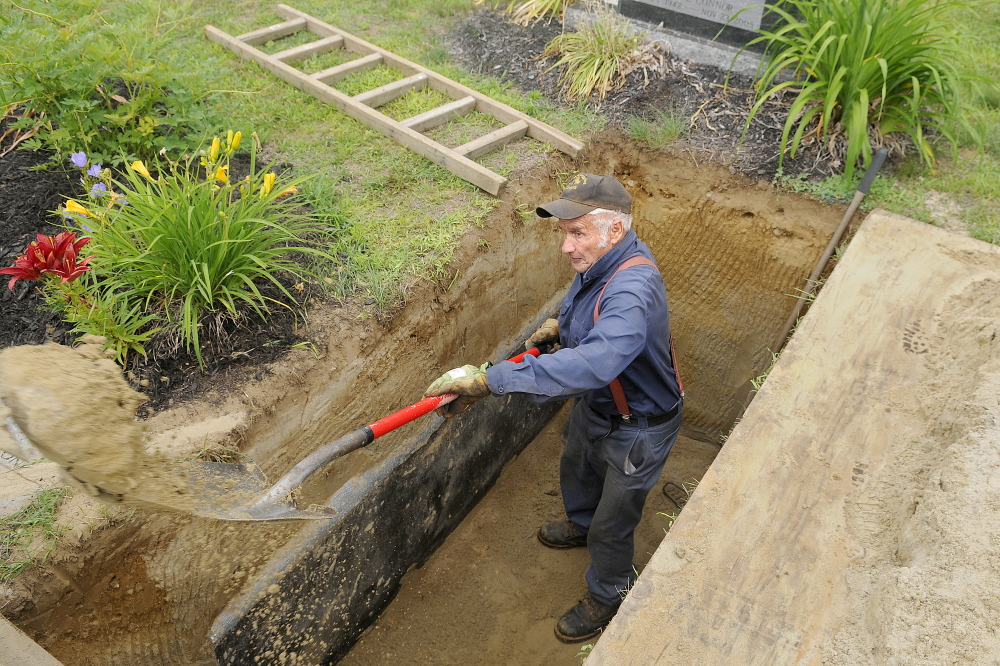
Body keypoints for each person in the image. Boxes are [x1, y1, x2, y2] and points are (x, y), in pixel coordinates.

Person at [424, 173, 682, 643]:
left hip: (638, 426)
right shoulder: (600, 261)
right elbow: (589, 310)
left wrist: (491, 381)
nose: (566, 246)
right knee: (577, 466)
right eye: (564, 233)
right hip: (600, 408)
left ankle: (609, 592)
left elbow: (597, 362)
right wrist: (562, 324)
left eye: (577, 232)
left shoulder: (633, 287)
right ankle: (581, 525)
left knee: (613, 523)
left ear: (615, 230)